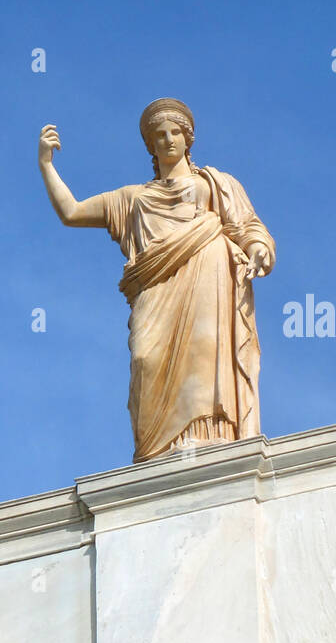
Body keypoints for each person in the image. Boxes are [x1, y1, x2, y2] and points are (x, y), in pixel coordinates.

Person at [39, 98, 275, 462]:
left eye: (174, 133)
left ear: (187, 138)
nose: (167, 140)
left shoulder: (215, 183)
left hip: (208, 271)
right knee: (146, 359)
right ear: (150, 145)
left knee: (205, 353)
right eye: (159, 135)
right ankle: (157, 453)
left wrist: (258, 246)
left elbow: (247, 225)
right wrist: (46, 165)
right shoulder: (134, 199)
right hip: (154, 288)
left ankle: (211, 437)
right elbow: (71, 212)